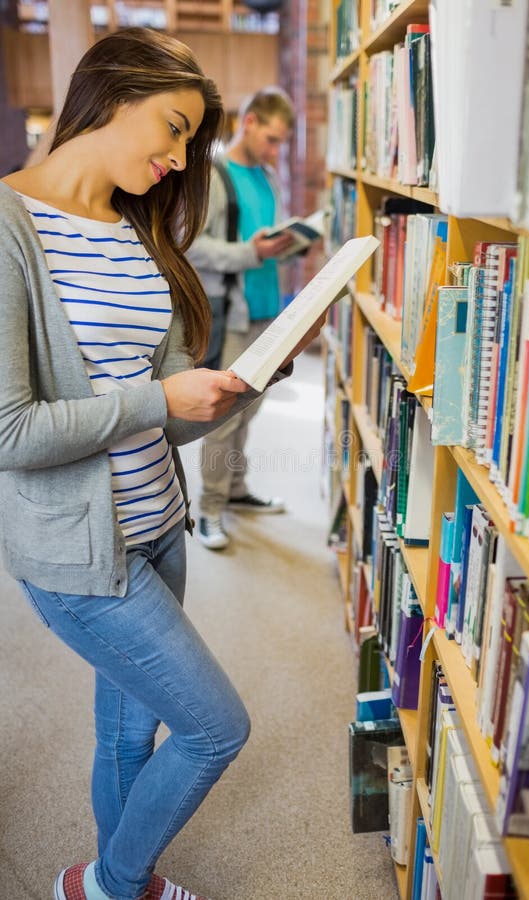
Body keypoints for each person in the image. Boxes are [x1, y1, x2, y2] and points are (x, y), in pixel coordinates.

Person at [0, 27, 323, 900]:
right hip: (79, 558)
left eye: (192, 141)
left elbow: (169, 414)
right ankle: (107, 882)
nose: (180, 159)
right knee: (217, 728)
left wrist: (244, 382)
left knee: (126, 734)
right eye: (174, 128)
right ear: (109, 94)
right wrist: (161, 401)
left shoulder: (137, 231)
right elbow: (11, 432)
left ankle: (118, 881)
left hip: (158, 528)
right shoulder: (9, 227)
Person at [186, 87, 297, 551]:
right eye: (271, 139)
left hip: (269, 310)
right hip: (233, 313)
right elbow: (191, 247)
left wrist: (293, 242)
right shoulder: (213, 175)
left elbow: (266, 234)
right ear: (248, 121)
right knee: (225, 415)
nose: (275, 151)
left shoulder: (268, 177)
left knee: (251, 410)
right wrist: (252, 252)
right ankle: (209, 509)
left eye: (280, 144)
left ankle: (234, 490)